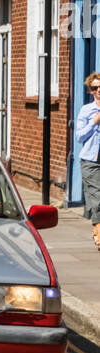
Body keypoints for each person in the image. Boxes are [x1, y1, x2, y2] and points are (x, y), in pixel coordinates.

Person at [76, 71, 100, 252]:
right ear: (90, 90)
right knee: (97, 198)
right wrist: (94, 122)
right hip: (91, 160)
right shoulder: (86, 110)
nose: (98, 91)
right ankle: (98, 230)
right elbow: (79, 137)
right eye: (94, 88)